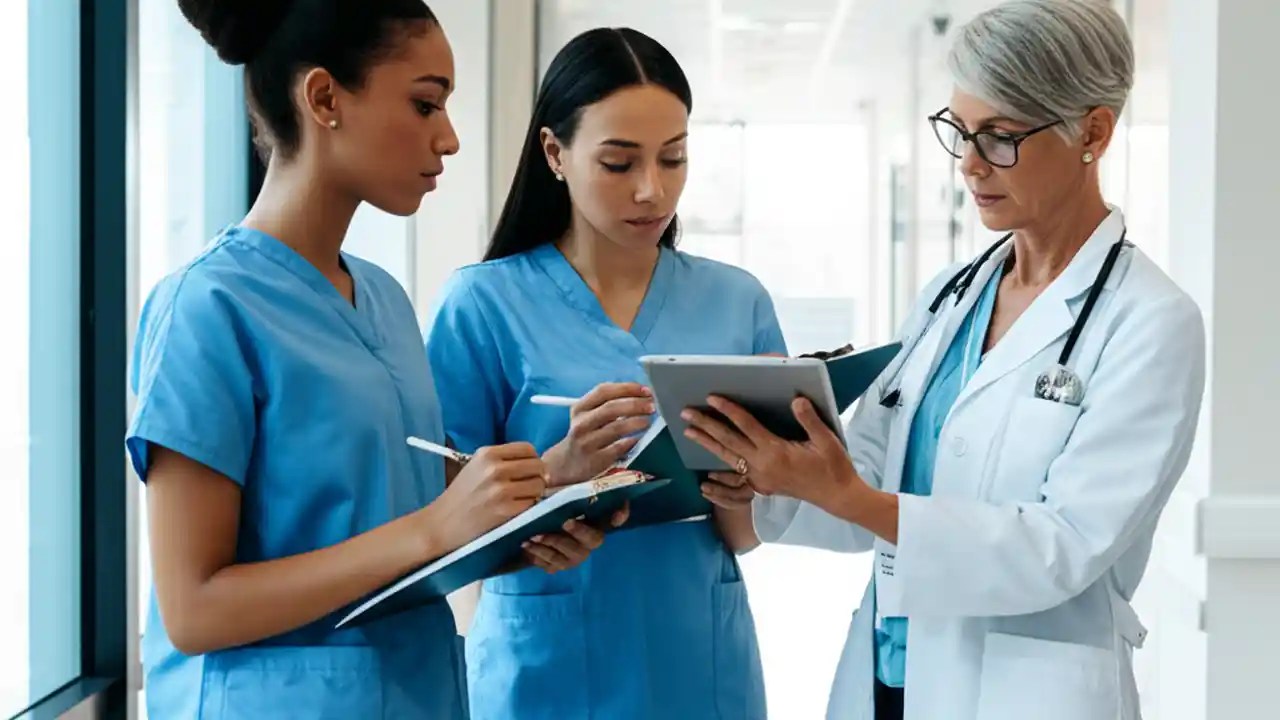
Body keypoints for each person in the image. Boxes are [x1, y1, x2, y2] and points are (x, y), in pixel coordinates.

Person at [682, 2, 1206, 719]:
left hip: (1027, 692)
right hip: (893, 678)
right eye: (959, 131)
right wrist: (774, 480)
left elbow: (1062, 546)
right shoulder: (948, 300)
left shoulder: (1150, 322)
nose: (968, 164)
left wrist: (848, 495)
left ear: (1093, 132)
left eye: (998, 138)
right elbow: (869, 472)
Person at [129, 2, 618, 718]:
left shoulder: (383, 300)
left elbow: (399, 518)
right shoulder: (207, 307)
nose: (448, 139)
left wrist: (542, 496)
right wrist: (435, 528)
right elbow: (195, 608)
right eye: (425, 104)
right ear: (325, 98)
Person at [425, 27, 782, 720]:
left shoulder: (738, 302)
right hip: (546, 669)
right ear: (555, 153)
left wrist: (745, 484)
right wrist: (559, 469)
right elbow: (440, 529)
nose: (653, 191)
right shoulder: (482, 305)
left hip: (699, 660)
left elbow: (742, 535)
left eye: (673, 159)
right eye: (619, 164)